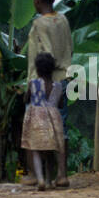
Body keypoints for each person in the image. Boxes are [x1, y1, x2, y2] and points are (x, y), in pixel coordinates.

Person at [22, 0, 71, 187]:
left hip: (42, 81)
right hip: (62, 79)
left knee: (32, 132)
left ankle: (35, 175)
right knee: (60, 129)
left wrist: (36, 81)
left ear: (37, 0)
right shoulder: (64, 20)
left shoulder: (40, 24)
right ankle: (61, 174)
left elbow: (45, 53)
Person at [21, 52, 67, 190]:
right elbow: (60, 105)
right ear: (53, 69)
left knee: (35, 149)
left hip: (36, 119)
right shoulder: (58, 86)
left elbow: (26, 99)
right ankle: (50, 180)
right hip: (54, 119)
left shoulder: (33, 83)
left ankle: (39, 179)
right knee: (52, 149)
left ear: (37, 69)